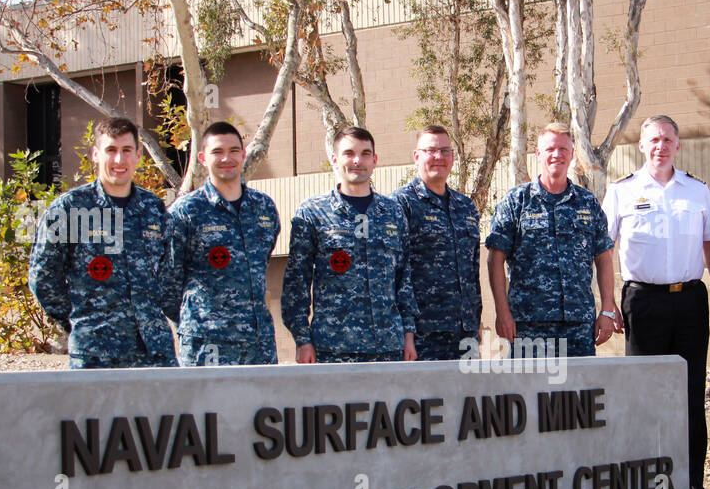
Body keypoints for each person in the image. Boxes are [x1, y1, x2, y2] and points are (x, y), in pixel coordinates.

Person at [602, 115, 710, 489]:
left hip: (689, 299)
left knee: (690, 393)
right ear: (641, 145)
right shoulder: (621, 192)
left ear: (678, 144)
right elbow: (604, 251)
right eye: (654, 139)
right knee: (644, 394)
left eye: (668, 139)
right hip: (643, 301)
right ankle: (649, 483)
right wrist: (607, 305)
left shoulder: (696, 191)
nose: (661, 146)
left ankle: (693, 482)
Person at [29, 116, 177, 369]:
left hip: (154, 353)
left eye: (127, 150)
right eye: (111, 150)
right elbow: (42, 278)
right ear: (96, 154)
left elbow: (168, 275)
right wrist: (79, 323)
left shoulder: (153, 208)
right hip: (95, 354)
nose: (119, 160)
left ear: (139, 156)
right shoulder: (69, 209)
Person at [282, 126, 419, 364]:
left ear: (375, 160)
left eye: (365, 154)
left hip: (389, 348)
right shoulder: (313, 212)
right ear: (335, 159)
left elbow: (403, 279)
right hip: (333, 350)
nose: (357, 161)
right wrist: (302, 340)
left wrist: (408, 336)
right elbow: (297, 283)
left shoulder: (393, 213)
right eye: (349, 153)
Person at [485, 123, 619, 359]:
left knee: (579, 394)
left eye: (563, 149)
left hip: (578, 325)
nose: (556, 155)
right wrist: (502, 312)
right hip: (527, 325)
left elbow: (604, 258)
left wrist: (607, 309)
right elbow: (495, 260)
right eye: (550, 149)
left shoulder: (587, 203)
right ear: (538, 154)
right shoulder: (517, 201)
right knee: (528, 394)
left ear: (571, 154)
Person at [163, 121, 281, 366]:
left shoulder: (264, 208)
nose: (227, 158)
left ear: (243, 154)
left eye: (234, 150)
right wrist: (197, 321)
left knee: (263, 405)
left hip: (259, 344)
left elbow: (260, 266)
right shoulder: (186, 212)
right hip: (207, 343)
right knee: (206, 405)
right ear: (203, 158)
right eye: (217, 152)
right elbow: (167, 282)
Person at [391, 125, 482, 361]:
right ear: (417, 156)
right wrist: (406, 332)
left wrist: (476, 320)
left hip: (465, 332)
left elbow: (473, 268)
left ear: (452, 157)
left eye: (445, 151)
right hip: (422, 333)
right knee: (424, 398)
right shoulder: (399, 205)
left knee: (467, 397)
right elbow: (396, 273)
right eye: (431, 150)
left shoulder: (465, 206)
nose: (439, 157)